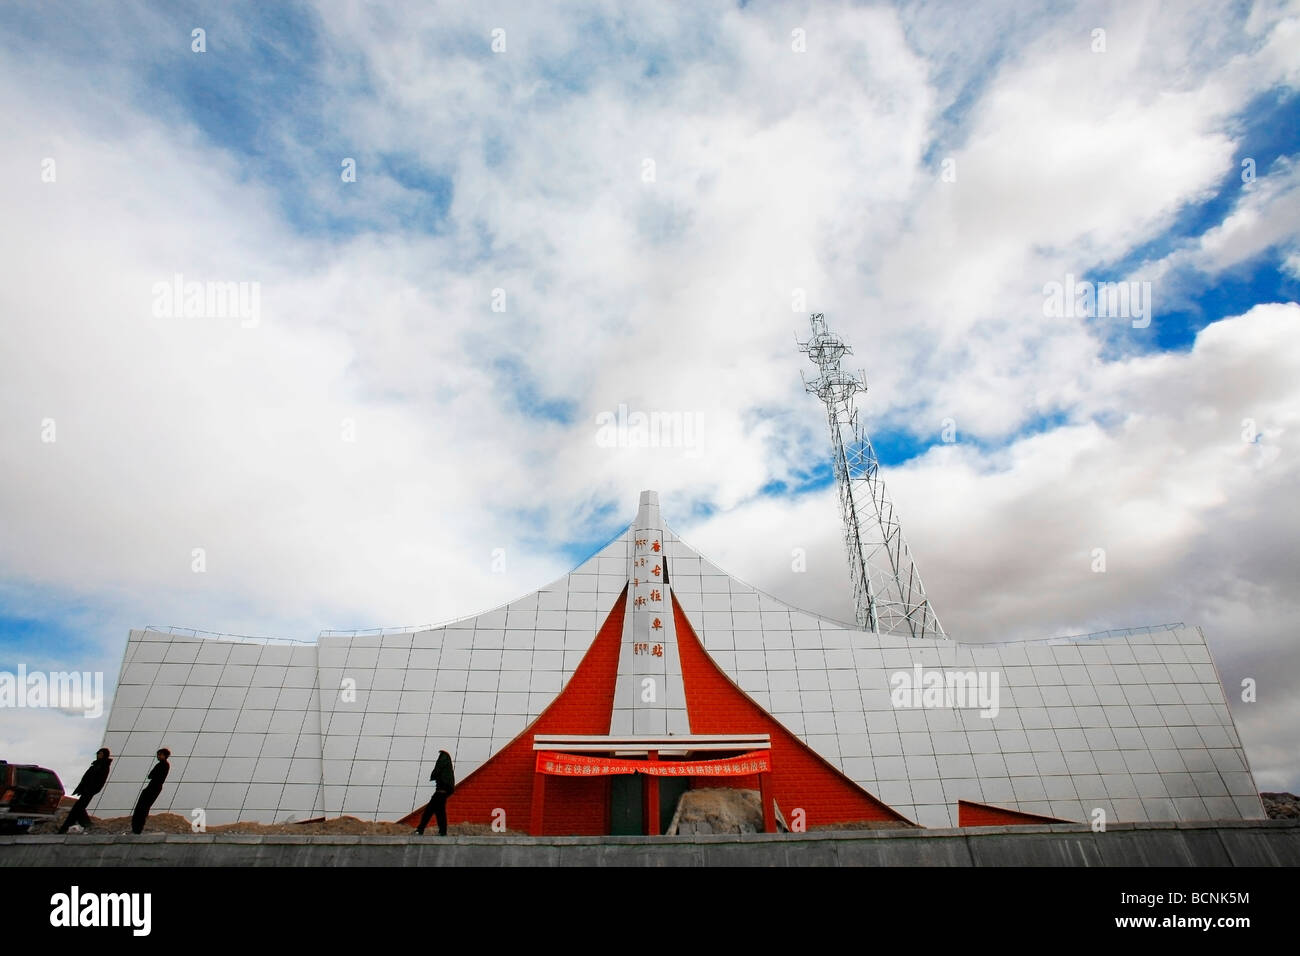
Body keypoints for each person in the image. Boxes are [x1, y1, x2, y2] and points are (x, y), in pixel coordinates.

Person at [58, 748, 112, 833]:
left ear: (104, 755)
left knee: (78, 808)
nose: (98, 755)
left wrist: (91, 789)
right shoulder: (96, 765)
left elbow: (99, 780)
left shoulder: (103, 766)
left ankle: (72, 826)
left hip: (90, 790)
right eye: (98, 753)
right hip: (86, 790)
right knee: (78, 808)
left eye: (100, 753)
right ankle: (79, 824)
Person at [415, 749, 455, 836]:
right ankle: (441, 831)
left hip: (440, 793)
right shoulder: (448, 770)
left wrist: (434, 775)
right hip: (442, 793)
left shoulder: (443, 763)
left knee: (429, 811)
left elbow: (437, 770)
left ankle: (420, 830)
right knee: (438, 812)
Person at [131, 748, 170, 834]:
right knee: (143, 807)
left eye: (160, 754)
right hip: (154, 787)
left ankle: (137, 828)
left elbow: (151, 775)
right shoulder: (163, 765)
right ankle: (137, 828)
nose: (158, 756)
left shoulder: (162, 765)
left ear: (165, 755)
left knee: (142, 807)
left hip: (153, 787)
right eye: (158, 754)